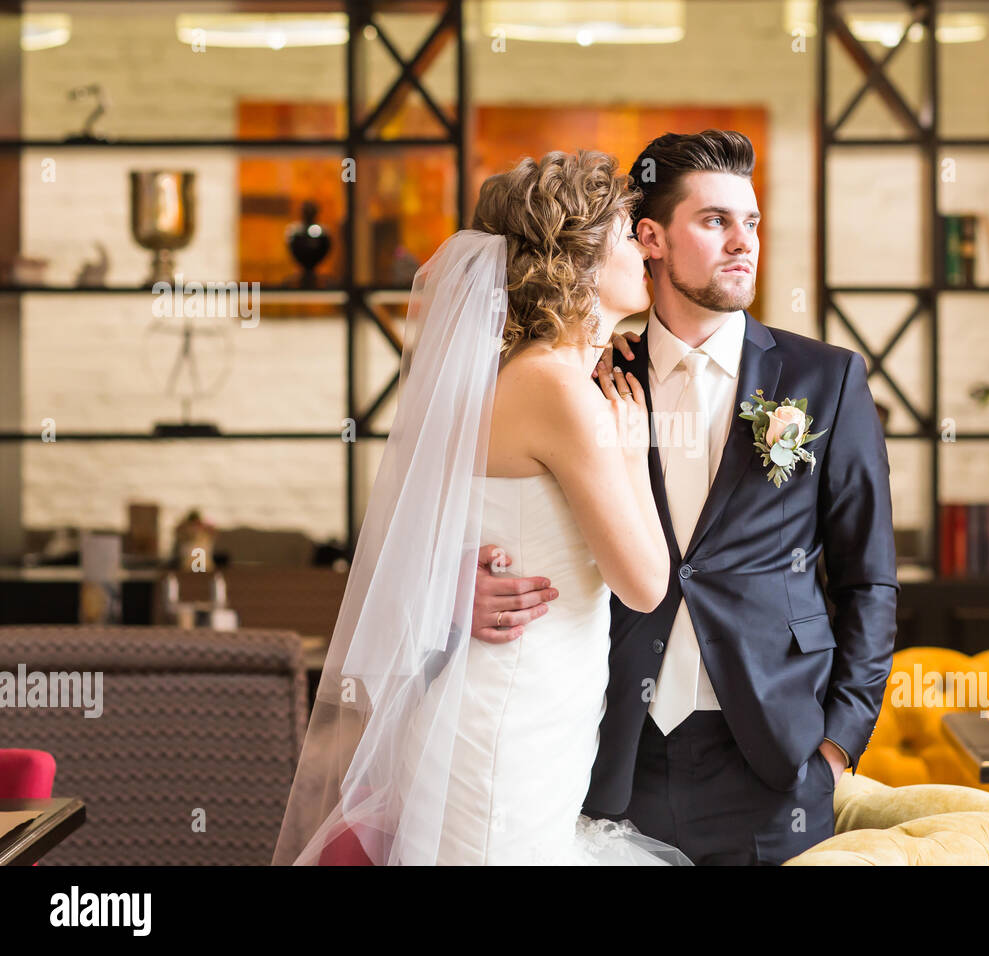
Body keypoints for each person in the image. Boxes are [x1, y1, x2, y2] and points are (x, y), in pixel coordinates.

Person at [471, 129, 900, 865]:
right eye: (715, 221)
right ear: (650, 238)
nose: (744, 242)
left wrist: (836, 746)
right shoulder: (585, 374)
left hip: (772, 759)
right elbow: (488, 505)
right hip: (609, 753)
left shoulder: (826, 380)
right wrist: (461, 576)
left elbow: (869, 580)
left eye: (752, 222)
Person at [273, 149, 690, 865]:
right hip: (509, 723)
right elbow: (646, 583)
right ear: (578, 256)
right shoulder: (560, 392)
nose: (644, 246)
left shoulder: (520, 376)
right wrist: (629, 446)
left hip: (519, 710)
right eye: (627, 232)